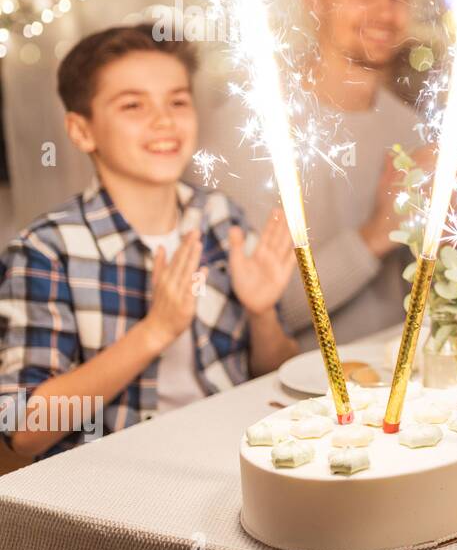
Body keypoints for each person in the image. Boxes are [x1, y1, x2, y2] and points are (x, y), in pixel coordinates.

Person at [198, 0, 457, 349]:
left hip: (397, 382)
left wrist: (440, 243)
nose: (386, 13)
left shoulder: (409, 127)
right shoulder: (251, 127)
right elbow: (260, 311)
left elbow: (408, 299)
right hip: (292, 400)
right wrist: (377, 234)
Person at [0, 25, 297, 460]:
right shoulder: (46, 250)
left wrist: (261, 313)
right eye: (133, 105)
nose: (164, 120)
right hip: (116, 484)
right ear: (82, 131)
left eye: (177, 100)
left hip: (233, 457)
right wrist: (155, 331)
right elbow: (24, 429)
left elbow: (273, 371)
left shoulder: (220, 218)